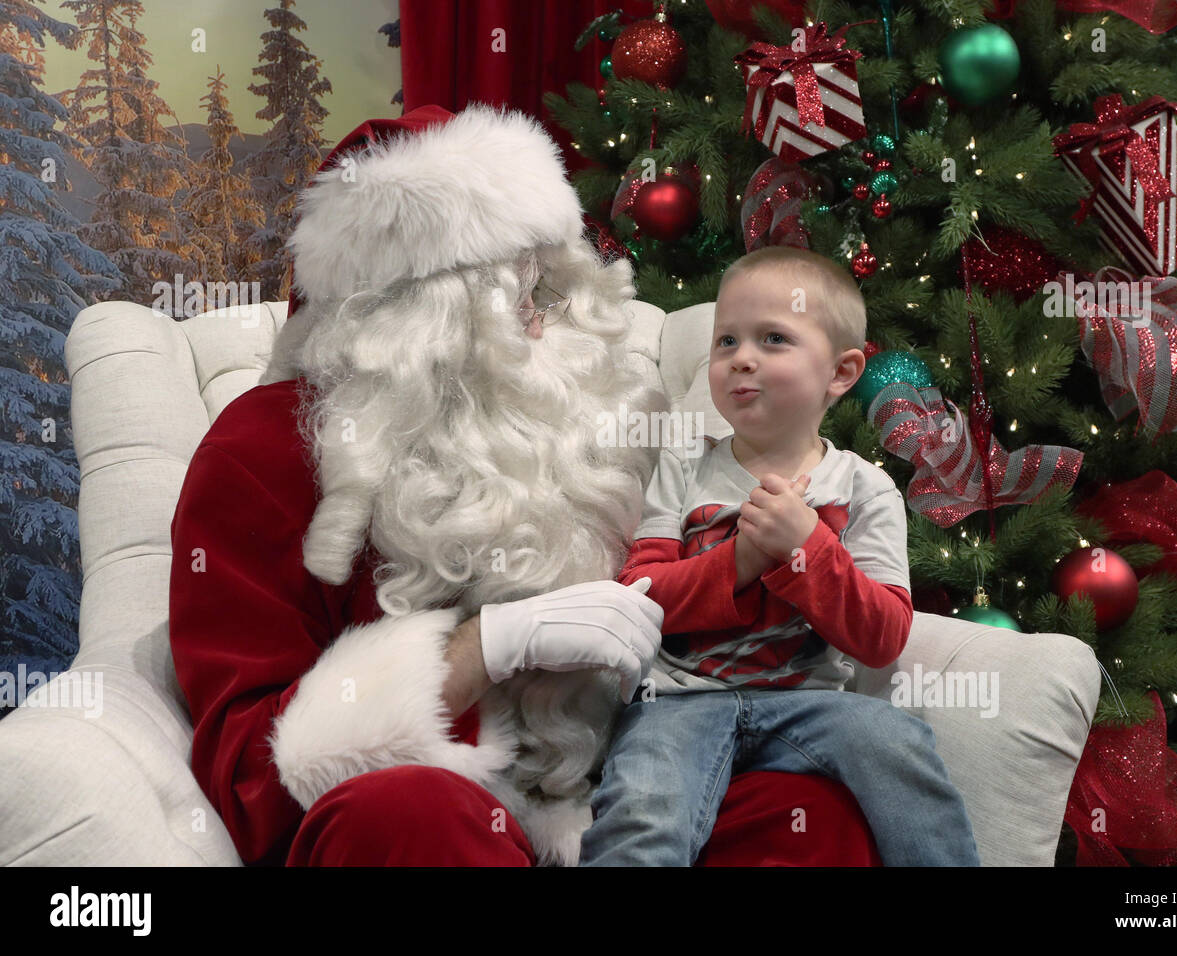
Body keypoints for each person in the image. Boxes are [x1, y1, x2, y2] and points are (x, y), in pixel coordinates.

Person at [168, 103, 885, 867]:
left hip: (628, 797)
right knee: (406, 815)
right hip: (445, 817)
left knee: (803, 810)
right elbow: (255, 773)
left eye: (548, 294)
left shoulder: (610, 419)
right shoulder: (264, 448)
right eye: (518, 299)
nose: (542, 328)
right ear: (406, 319)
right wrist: (489, 647)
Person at [579, 246, 982, 866]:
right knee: (643, 807)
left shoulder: (865, 488)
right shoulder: (684, 466)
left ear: (841, 372)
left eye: (773, 338)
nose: (742, 358)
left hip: (811, 704)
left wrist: (808, 549)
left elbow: (883, 637)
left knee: (898, 742)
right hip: (679, 702)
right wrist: (738, 562)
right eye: (726, 341)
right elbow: (641, 596)